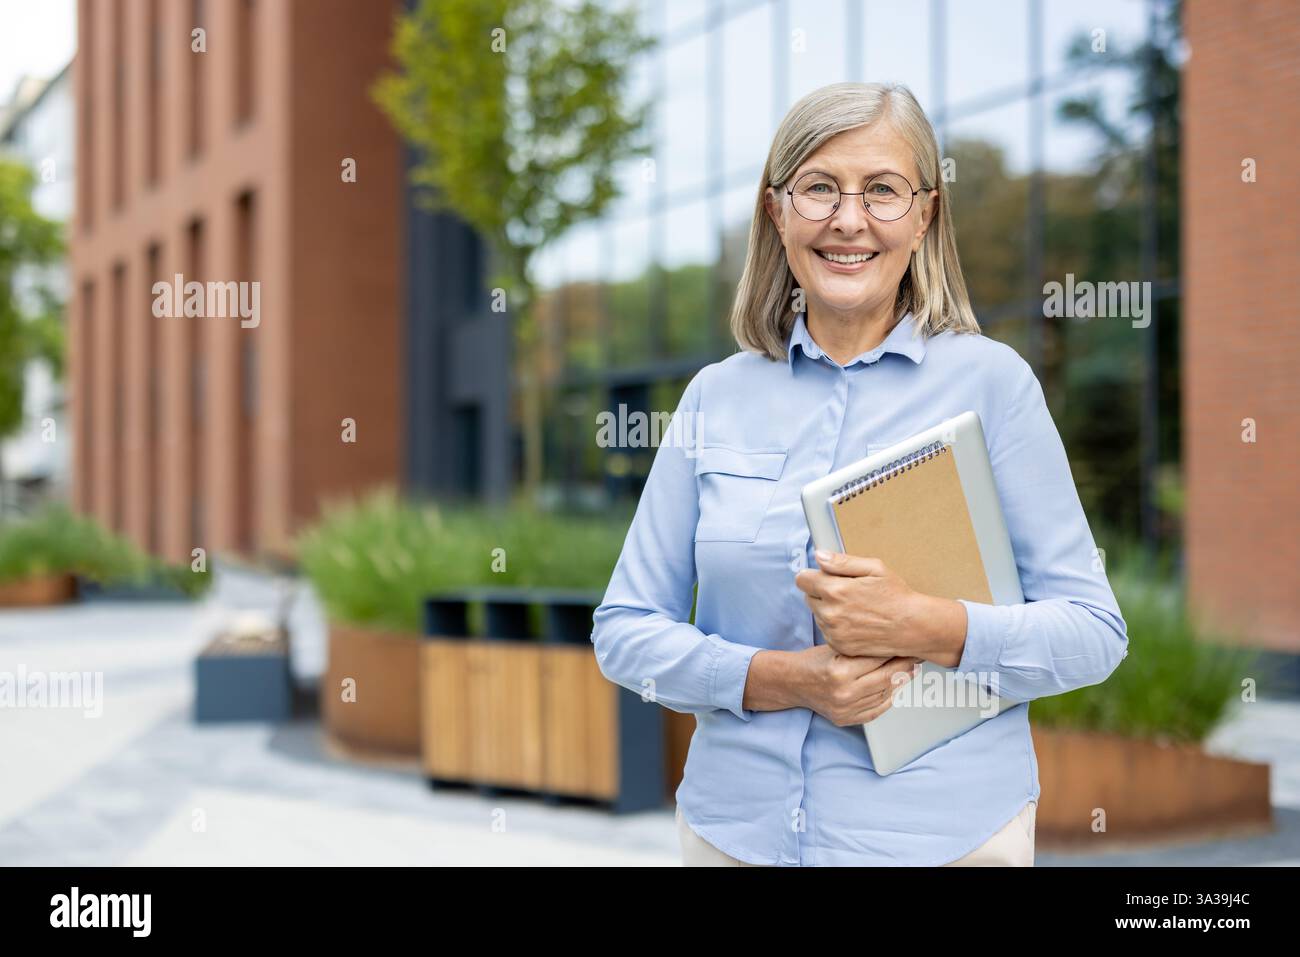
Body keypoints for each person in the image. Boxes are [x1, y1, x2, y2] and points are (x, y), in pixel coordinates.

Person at [591, 81, 1128, 866]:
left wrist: (925, 624)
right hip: (735, 837)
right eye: (818, 188)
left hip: (945, 842)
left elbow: (1093, 632)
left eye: (882, 190)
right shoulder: (716, 397)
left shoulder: (994, 386)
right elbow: (625, 632)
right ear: (776, 214)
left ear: (925, 216)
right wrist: (785, 679)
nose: (849, 219)